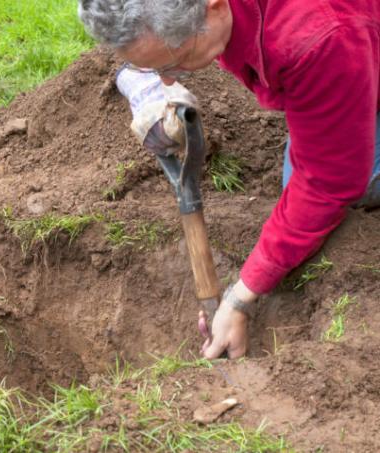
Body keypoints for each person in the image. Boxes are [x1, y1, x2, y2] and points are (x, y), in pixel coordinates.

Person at [78, 0, 380, 358]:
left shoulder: (316, 37)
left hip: (342, 37)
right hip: (344, 46)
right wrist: (143, 84)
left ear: (215, 7)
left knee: (352, 185)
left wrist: (241, 296)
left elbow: (328, 181)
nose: (170, 78)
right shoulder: (205, 17)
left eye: (176, 64)